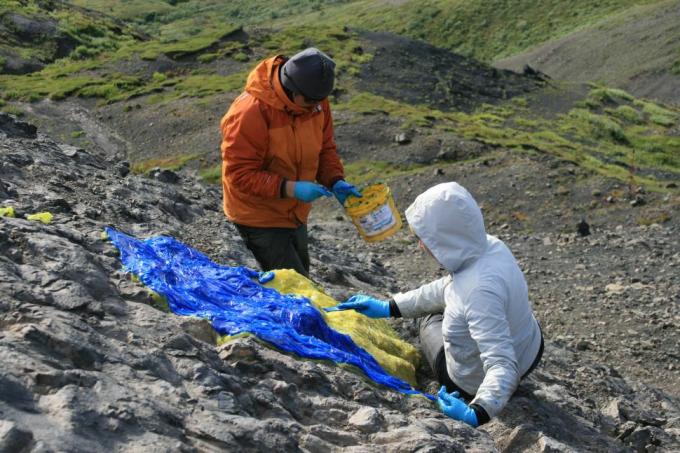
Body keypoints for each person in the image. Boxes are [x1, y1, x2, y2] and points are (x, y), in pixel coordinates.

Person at [326, 182, 543, 427]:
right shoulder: (491, 246)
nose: (421, 245)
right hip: (530, 347)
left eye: (425, 238)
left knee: (428, 319)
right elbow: (448, 288)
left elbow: (503, 364)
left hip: (474, 380)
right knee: (445, 305)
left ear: (447, 239)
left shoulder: (477, 291)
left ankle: (470, 387)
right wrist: (389, 307)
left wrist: (478, 412)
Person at [220, 47, 361, 277]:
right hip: (258, 215)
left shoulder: (315, 101)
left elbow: (325, 148)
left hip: (295, 211)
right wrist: (290, 188)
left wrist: (335, 180)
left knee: (299, 276)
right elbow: (239, 175)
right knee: (293, 287)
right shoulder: (250, 113)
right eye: (311, 102)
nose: (317, 107)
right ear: (293, 91)